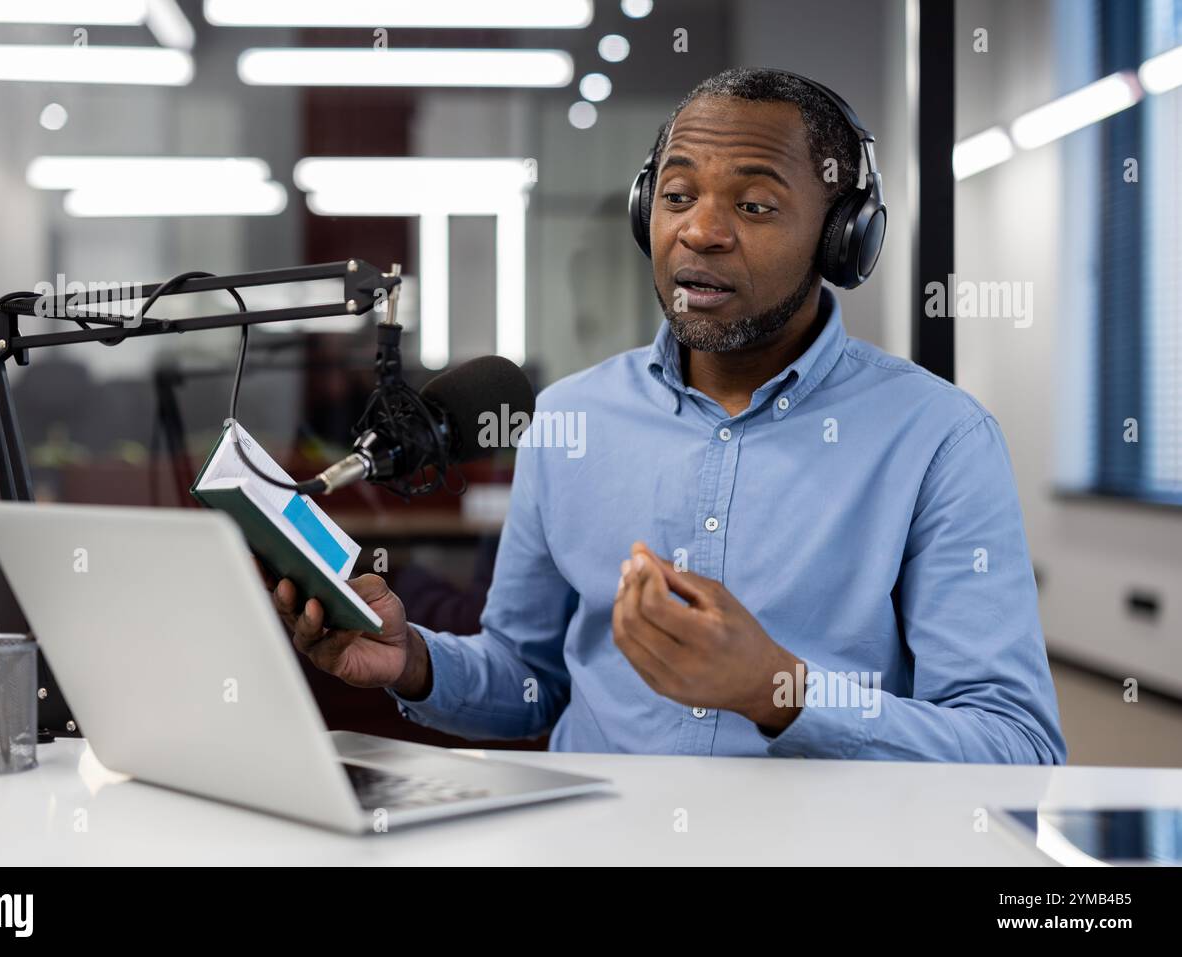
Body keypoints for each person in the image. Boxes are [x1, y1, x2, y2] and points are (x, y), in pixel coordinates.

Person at [262, 67, 1066, 762]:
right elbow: (528, 679)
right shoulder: (571, 419)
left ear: (842, 238)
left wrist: (778, 691)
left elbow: (1014, 745)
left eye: (753, 205)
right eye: (677, 195)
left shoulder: (938, 439)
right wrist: (415, 664)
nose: (701, 231)